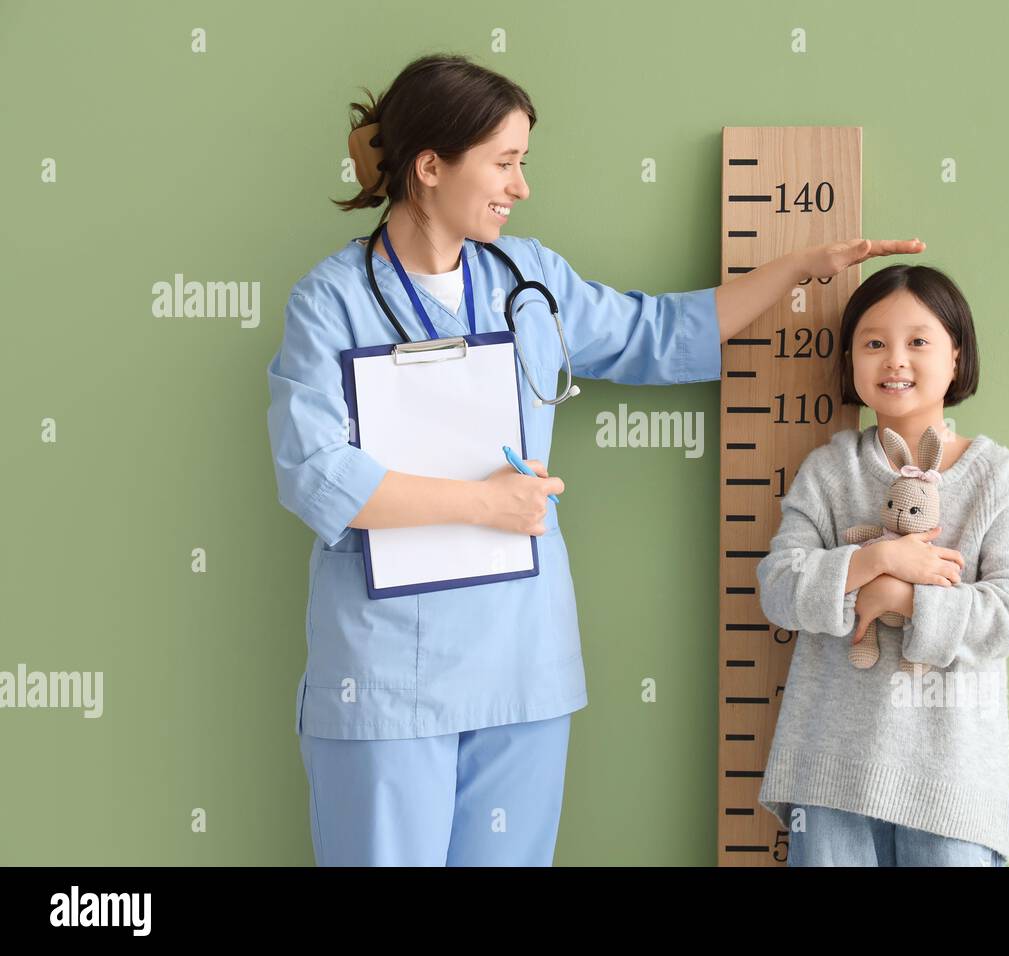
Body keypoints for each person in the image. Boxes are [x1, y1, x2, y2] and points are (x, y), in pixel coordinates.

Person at [266, 52, 925, 866]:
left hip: (520, 662)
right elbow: (313, 471)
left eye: (523, 164)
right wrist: (483, 505)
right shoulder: (329, 301)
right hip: (386, 672)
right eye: (505, 164)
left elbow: (655, 333)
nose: (520, 186)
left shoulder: (528, 279)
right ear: (431, 167)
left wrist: (794, 270)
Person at [755, 264, 1009, 866]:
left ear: (956, 356)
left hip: (953, 782)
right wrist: (876, 559)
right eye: (874, 343)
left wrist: (904, 599)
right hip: (830, 779)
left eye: (918, 341)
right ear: (849, 360)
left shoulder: (997, 475)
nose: (895, 360)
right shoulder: (830, 470)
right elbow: (779, 586)